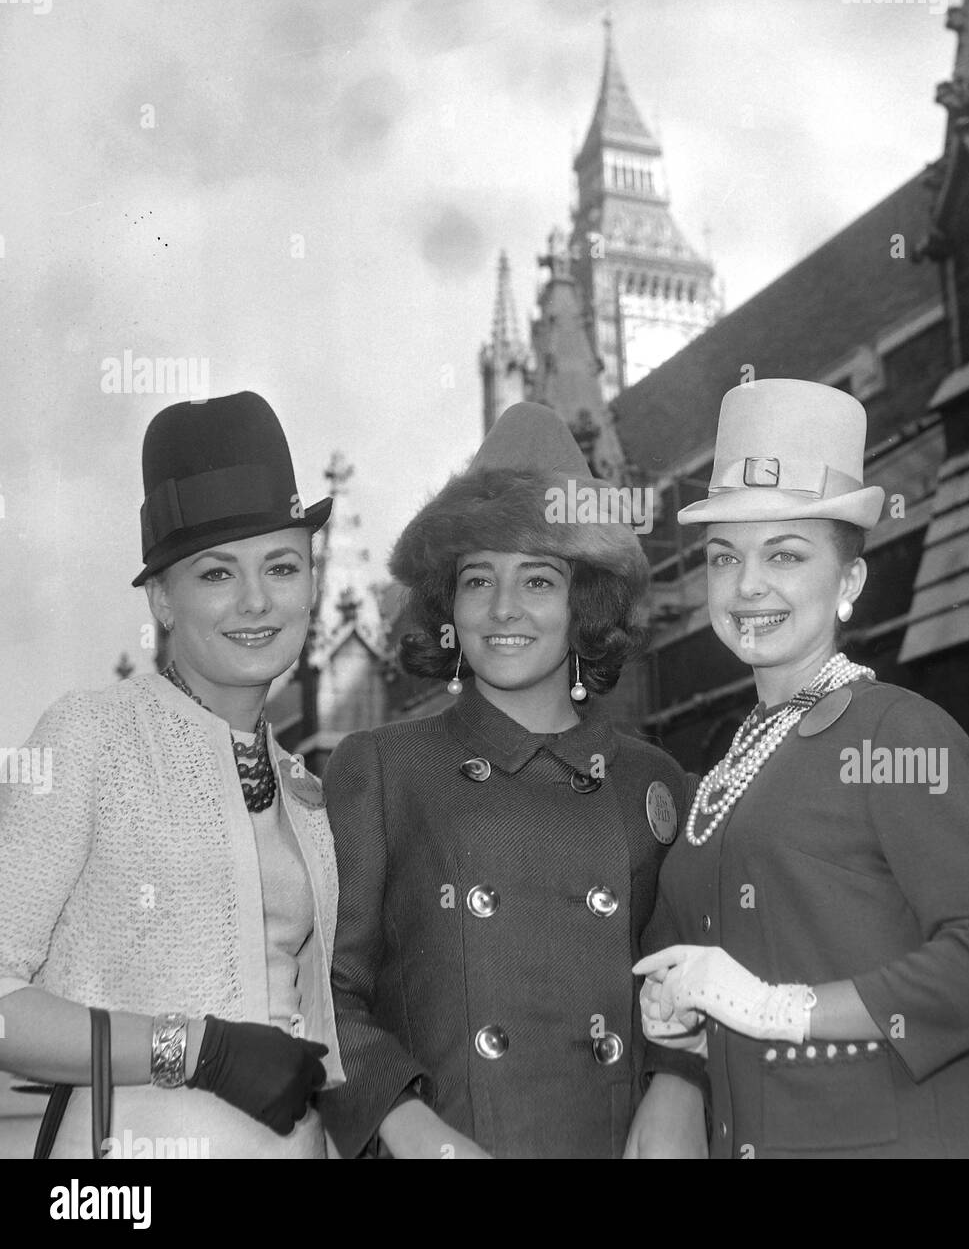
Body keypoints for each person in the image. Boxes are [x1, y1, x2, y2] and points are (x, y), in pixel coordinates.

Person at [634, 378, 969, 1159]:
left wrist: (783, 1009)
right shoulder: (733, 757)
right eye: (726, 558)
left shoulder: (894, 730)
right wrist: (685, 1018)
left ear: (850, 582)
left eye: (785, 555)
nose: (748, 585)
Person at [318, 402, 706, 1159]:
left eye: (538, 580)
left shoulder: (651, 784)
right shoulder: (381, 769)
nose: (503, 610)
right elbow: (323, 993)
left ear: (584, 602)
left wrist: (680, 1085)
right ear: (447, 606)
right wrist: (414, 1128)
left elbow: (683, 979)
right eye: (477, 580)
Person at [0, 391, 343, 1158]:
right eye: (218, 574)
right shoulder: (88, 736)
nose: (257, 600)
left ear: (313, 584)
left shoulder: (303, 789)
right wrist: (194, 1049)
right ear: (162, 598)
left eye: (282, 567)